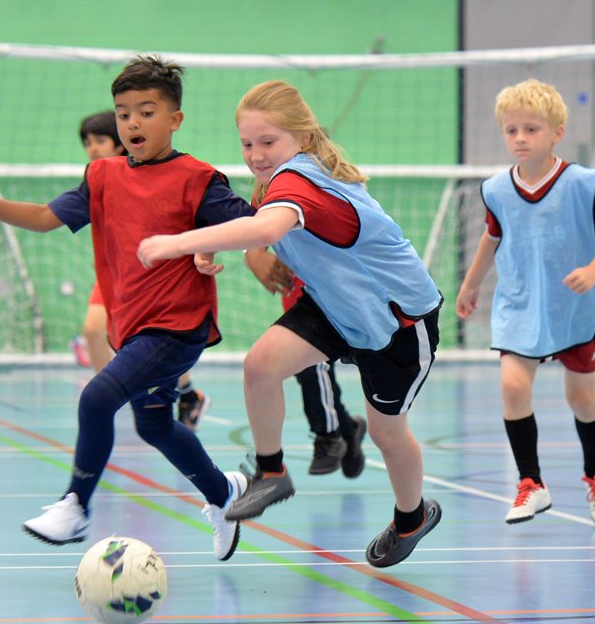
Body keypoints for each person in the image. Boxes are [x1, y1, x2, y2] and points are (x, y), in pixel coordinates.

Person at [0, 56, 254, 561]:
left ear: (175, 119)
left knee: (96, 399)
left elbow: (255, 225)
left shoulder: (198, 179)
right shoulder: (103, 176)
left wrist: (208, 243)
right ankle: (223, 495)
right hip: (130, 327)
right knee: (153, 425)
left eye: (147, 112)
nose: (132, 122)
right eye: (124, 113)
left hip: (177, 328)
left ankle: (75, 507)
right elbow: (46, 217)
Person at [137, 79, 443, 568]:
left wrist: (178, 243)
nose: (256, 155)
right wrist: (210, 241)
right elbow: (255, 216)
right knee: (260, 367)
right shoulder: (276, 178)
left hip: (395, 318)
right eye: (247, 144)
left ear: (301, 137)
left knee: (388, 434)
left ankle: (413, 517)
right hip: (333, 306)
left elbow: (267, 227)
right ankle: (271, 472)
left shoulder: (303, 180)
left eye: (267, 142)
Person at [455, 78, 595, 527]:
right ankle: (531, 482)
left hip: (574, 308)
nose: (519, 139)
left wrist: (594, 270)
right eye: (511, 130)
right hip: (519, 304)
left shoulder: (582, 183)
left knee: (582, 397)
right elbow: (493, 236)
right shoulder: (496, 189)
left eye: (531, 129)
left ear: (556, 132)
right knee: (513, 387)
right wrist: (471, 283)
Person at [72, 110, 212, 432]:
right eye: (86, 142)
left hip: (151, 272)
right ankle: (112, 392)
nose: (92, 147)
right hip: (117, 272)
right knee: (95, 329)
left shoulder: (150, 173)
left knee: (155, 338)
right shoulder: (97, 176)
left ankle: (185, 394)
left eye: (99, 140)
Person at [245, 248, 368, 477]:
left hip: (330, 288)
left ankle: (328, 435)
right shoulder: (270, 219)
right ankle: (348, 430)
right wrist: (252, 250)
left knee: (314, 368)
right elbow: (248, 219)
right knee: (309, 372)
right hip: (297, 290)